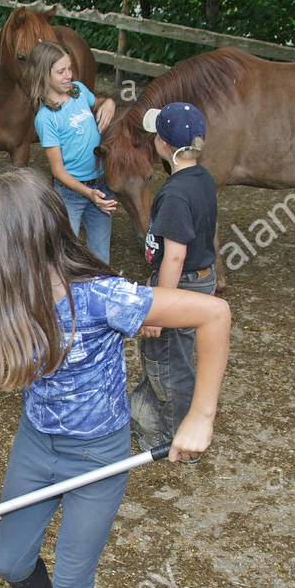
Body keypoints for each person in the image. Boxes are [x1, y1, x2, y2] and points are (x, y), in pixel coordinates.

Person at [0, 168, 230, 588]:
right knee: (9, 560)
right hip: (36, 444)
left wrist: (199, 416)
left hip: (96, 458)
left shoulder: (102, 296)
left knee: (77, 580)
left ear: (21, 247)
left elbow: (215, 316)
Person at [129, 103, 219, 452]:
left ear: (163, 145)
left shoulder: (176, 194)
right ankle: (144, 412)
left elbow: (176, 254)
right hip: (196, 278)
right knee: (164, 353)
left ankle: (172, 439)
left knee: (167, 361)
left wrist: (161, 307)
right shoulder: (201, 179)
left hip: (179, 283)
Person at [26, 40, 117, 265]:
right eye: (60, 71)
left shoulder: (78, 90)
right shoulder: (46, 119)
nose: (68, 75)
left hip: (101, 185)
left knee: (101, 257)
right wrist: (88, 194)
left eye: (69, 68)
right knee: (67, 257)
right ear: (43, 74)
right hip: (71, 194)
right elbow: (57, 171)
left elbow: (100, 103)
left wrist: (110, 103)